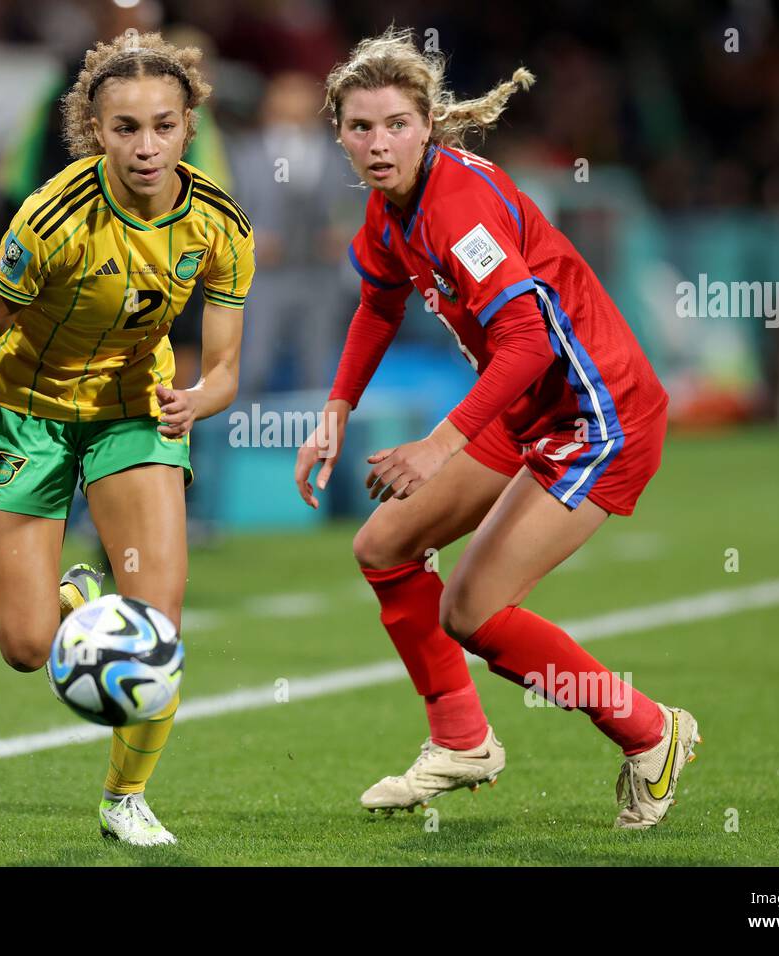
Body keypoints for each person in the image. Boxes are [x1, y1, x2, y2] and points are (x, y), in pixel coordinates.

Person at [295, 28, 698, 829]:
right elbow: (379, 304)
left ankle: (652, 734)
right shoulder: (388, 211)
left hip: (597, 416)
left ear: (429, 125)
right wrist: (334, 410)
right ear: (339, 132)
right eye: (361, 127)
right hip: (525, 407)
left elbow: (528, 341)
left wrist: (437, 444)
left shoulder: (458, 204)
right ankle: (463, 739)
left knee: (472, 613)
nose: (379, 144)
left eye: (397, 125)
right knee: (381, 546)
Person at [0, 32, 254, 846]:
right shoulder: (54, 215)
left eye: (163, 126)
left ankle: (124, 798)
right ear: (94, 129)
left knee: (159, 622)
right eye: (125, 127)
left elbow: (230, 366)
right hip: (29, 412)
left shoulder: (219, 221)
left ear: (189, 126)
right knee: (28, 649)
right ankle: (76, 600)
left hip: (134, 411)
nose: (146, 146)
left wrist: (198, 400)